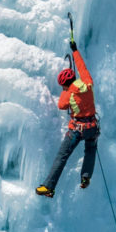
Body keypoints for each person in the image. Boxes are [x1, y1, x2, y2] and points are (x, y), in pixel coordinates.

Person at [36, 39, 98, 197]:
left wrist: (68, 90)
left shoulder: (68, 94)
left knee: (61, 157)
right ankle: (86, 177)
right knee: (90, 150)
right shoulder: (87, 82)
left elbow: (61, 105)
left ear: (65, 84)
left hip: (77, 130)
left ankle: (49, 186)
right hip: (92, 128)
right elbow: (82, 67)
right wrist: (75, 51)